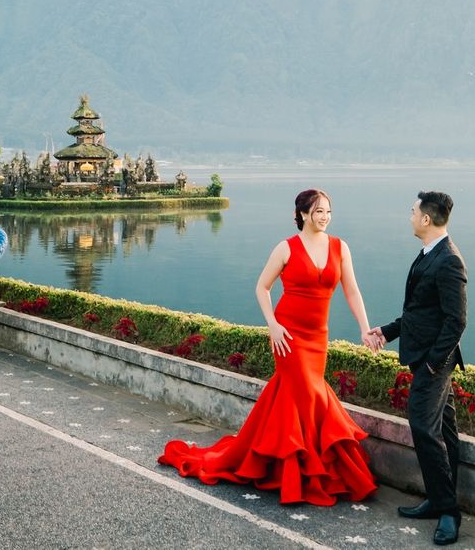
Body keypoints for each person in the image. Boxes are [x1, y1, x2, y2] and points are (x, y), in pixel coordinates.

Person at [158, 188, 380, 506]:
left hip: (318, 336)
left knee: (301, 395)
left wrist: (364, 328)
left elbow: (352, 292)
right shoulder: (286, 248)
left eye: (329, 211)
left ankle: (289, 466)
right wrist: (272, 325)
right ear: (303, 214)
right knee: (309, 392)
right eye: (319, 211)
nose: (325, 217)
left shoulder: (340, 247)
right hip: (287, 334)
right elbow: (262, 287)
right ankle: (299, 472)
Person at [368, 191, 467, 547]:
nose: (409, 216)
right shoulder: (429, 253)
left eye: (412, 211)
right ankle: (440, 502)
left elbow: (456, 322)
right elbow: (420, 313)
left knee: (424, 429)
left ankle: (448, 512)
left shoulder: (449, 260)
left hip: (433, 363)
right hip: (428, 358)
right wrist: (387, 331)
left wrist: (430, 363)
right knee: (444, 431)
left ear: (427, 219)